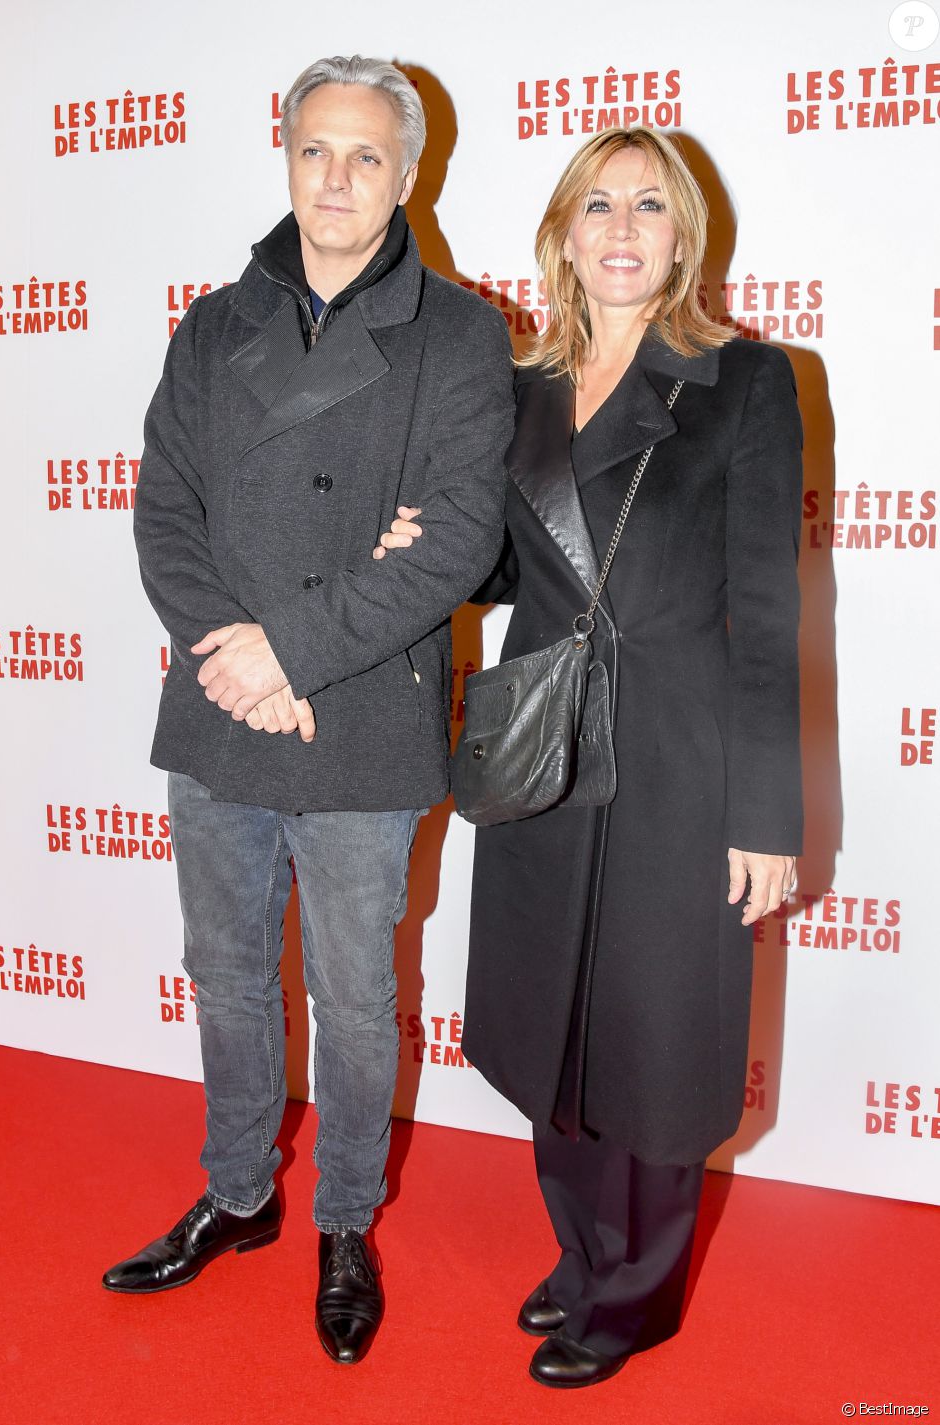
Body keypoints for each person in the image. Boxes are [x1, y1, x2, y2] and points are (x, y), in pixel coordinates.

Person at [102, 55, 514, 1368]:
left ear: (407, 172)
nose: (336, 181)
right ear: (284, 158)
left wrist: (289, 654)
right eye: (313, 152)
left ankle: (342, 1221)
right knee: (226, 978)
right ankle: (238, 1195)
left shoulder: (458, 331)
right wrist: (233, 660)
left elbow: (455, 538)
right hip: (219, 711)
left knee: (349, 997)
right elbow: (165, 509)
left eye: (365, 157)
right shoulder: (212, 325)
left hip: (365, 719)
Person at [376, 126, 802, 1389]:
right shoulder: (514, 388)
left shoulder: (745, 381)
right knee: (547, 1010)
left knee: (659, 1033)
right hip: (539, 739)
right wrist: (433, 541)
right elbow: (514, 568)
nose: (621, 230)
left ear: (683, 237)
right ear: (564, 232)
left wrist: (764, 815)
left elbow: (767, 614)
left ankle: (636, 1289)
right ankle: (580, 1250)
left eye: (649, 209)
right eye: (597, 206)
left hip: (677, 749)